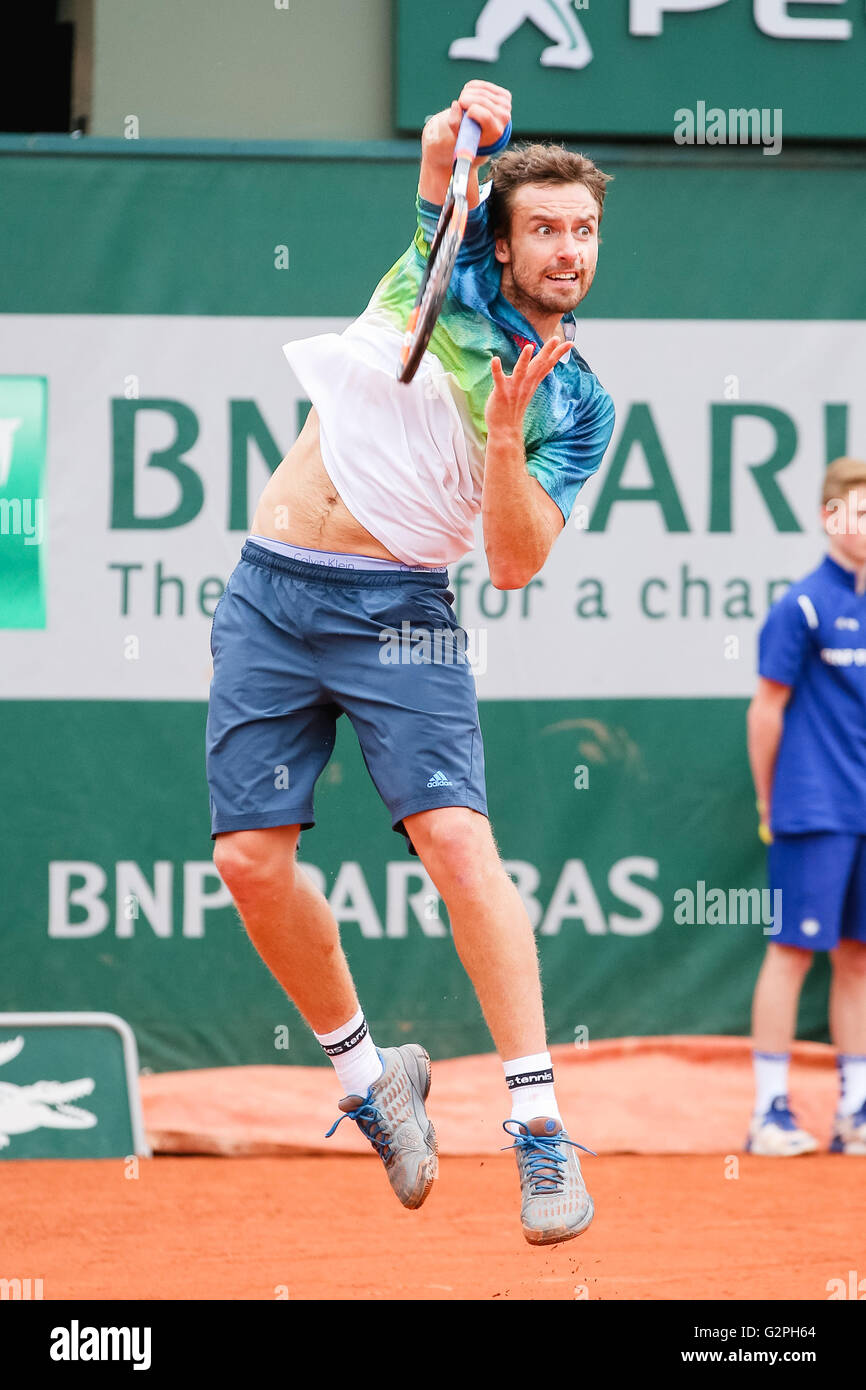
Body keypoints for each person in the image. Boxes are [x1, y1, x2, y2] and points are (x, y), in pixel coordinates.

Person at [206, 80, 616, 1243]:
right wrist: (460, 117)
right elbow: (444, 150)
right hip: (269, 588)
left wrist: (498, 435)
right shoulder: (439, 260)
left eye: (582, 230)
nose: (565, 249)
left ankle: (536, 1129)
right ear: (500, 233)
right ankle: (369, 1075)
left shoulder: (572, 402)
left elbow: (516, 559)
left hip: (400, 608)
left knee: (453, 838)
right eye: (542, 225)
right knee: (246, 860)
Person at [746, 457, 866, 1157]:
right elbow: (767, 711)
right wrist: (770, 798)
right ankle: (769, 1114)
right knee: (792, 952)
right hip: (813, 808)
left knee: (858, 959)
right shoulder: (801, 606)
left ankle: (854, 1112)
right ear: (830, 519)